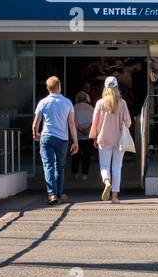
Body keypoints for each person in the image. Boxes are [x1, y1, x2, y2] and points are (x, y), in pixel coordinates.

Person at [32, 76, 78, 204]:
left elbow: (36, 123)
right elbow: (72, 124)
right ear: (59, 87)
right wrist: (75, 142)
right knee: (60, 167)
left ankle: (52, 194)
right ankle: (59, 193)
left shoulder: (43, 102)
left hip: (46, 137)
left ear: (48, 88)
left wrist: (35, 133)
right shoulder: (67, 102)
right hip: (62, 139)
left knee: (48, 166)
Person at [88, 75, 132, 203]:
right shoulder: (122, 103)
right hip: (119, 139)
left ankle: (107, 182)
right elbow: (128, 123)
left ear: (105, 88)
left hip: (103, 138)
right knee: (117, 167)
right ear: (117, 87)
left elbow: (94, 123)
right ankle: (114, 197)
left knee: (104, 165)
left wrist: (94, 138)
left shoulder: (100, 103)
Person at [72, 91, 96, 180]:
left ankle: (75, 173)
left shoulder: (74, 107)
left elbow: (72, 121)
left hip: (76, 136)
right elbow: (94, 121)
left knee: (75, 155)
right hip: (88, 136)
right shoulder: (91, 108)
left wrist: (79, 129)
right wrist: (88, 129)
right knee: (86, 155)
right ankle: (85, 174)